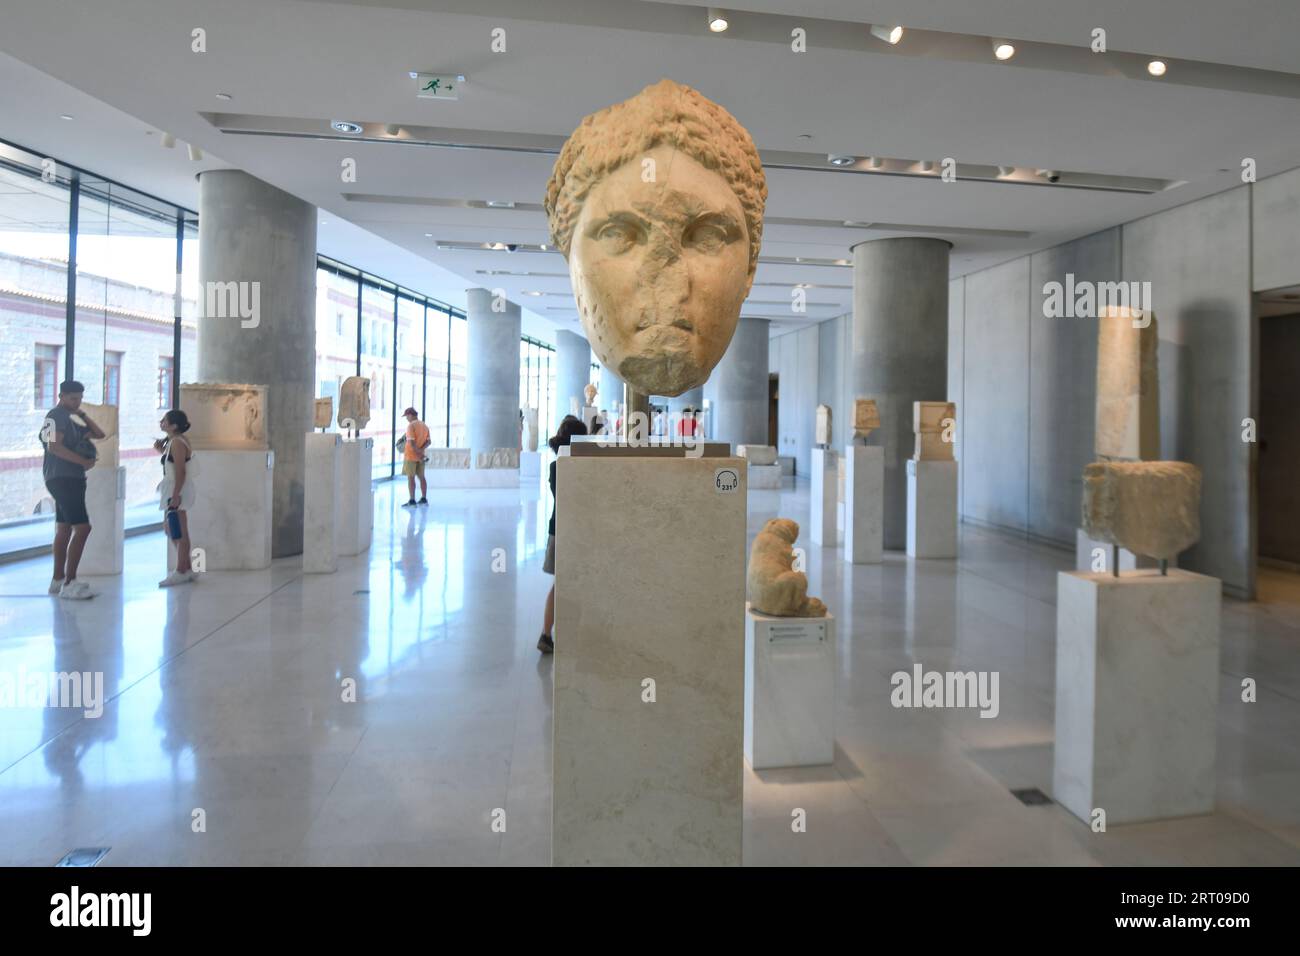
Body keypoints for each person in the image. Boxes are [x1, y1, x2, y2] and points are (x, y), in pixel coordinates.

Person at [40, 380, 103, 600]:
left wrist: (83, 414)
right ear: (61, 396)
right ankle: (70, 582)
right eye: (73, 398)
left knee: (65, 528)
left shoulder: (72, 419)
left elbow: (100, 433)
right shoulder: (55, 416)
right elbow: (53, 446)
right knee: (83, 528)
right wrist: (82, 462)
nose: (77, 402)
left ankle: (58, 579)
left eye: (79, 398)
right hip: (62, 477)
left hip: (71, 478)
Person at [539, 414, 587, 654]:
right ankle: (555, 634)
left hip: (558, 528)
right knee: (566, 585)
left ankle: (548, 634)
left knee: (561, 585)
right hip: (569, 530)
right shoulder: (572, 465)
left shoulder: (556, 464)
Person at [154, 410, 197, 587]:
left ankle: (181, 570)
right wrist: (161, 451)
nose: (161, 422)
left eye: (165, 420)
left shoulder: (178, 443)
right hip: (173, 488)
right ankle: (185, 567)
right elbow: (173, 464)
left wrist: (176, 494)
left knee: (176, 529)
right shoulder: (174, 442)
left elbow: (180, 470)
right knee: (172, 528)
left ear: (173, 425)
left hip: (175, 489)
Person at [399, 407, 431, 507]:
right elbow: (428, 442)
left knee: (411, 478)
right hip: (420, 458)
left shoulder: (411, 426)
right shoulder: (424, 425)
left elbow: (411, 443)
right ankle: (424, 499)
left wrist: (418, 453)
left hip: (411, 456)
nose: (406, 419)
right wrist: (421, 451)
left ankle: (412, 501)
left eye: (406, 416)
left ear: (411, 415)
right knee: (422, 477)